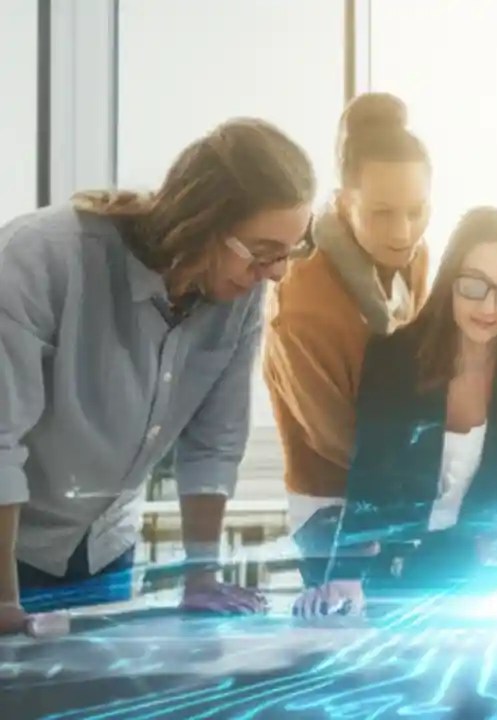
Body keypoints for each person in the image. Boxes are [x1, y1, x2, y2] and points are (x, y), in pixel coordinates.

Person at [0, 118, 315, 635]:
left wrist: (202, 577)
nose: (277, 272)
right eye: (262, 252)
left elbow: (214, 444)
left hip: (104, 552)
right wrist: (4, 600)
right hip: (12, 548)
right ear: (203, 221)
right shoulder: (41, 258)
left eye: (289, 252)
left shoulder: (241, 298)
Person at [295, 207, 497, 618]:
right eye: (474, 285)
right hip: (386, 569)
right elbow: (371, 478)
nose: (490, 306)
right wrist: (345, 572)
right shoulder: (396, 358)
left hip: (471, 577)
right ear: (450, 280)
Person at [263, 92, 431, 588]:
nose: (403, 232)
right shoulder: (302, 297)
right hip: (330, 513)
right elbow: (334, 438)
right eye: (381, 212)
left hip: (402, 500)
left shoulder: (415, 258)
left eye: (417, 210)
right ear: (343, 201)